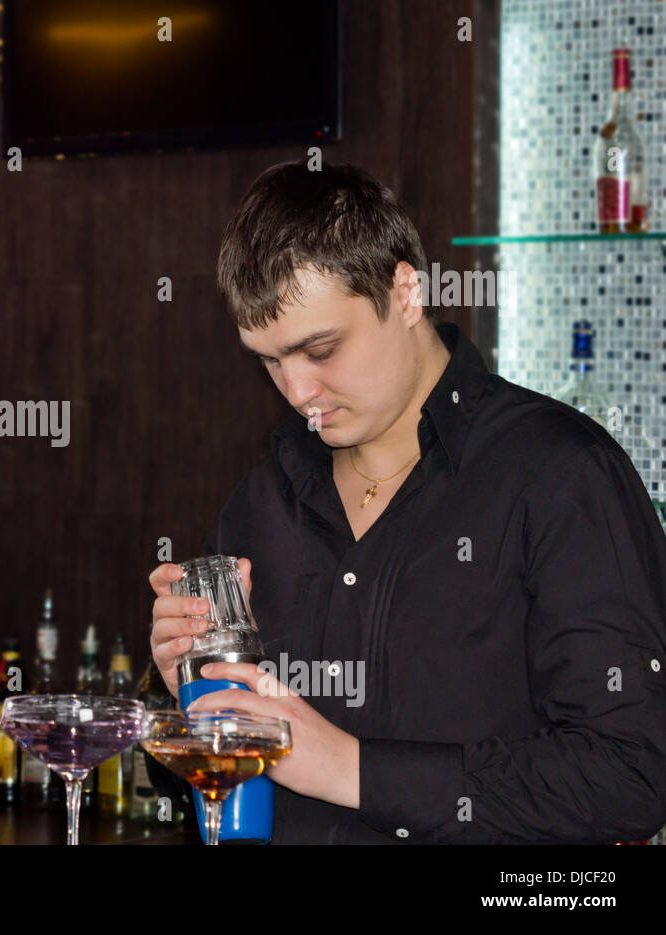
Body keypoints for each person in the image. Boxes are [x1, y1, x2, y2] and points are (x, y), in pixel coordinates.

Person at [147, 161, 666, 843]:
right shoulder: (264, 497)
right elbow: (195, 779)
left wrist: (350, 768)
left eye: (320, 348)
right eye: (270, 360)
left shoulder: (562, 474)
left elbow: (633, 775)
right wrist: (181, 689)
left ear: (406, 290)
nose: (299, 390)